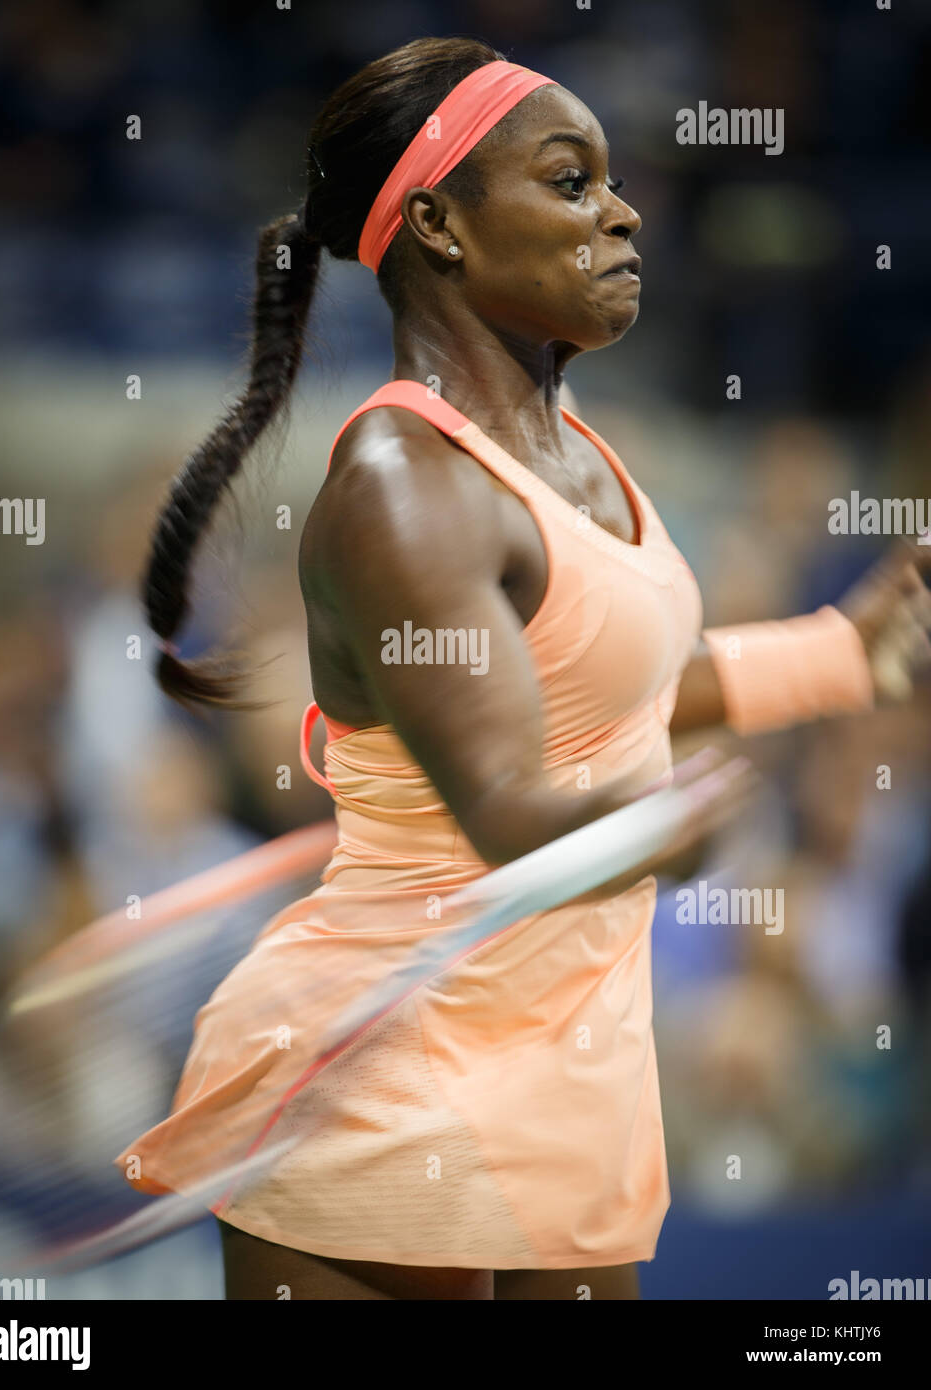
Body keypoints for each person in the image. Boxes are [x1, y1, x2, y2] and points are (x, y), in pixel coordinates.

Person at [115, 38, 931, 1300]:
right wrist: (663, 821)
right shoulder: (402, 490)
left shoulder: (578, 454)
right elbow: (510, 809)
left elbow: (605, 685)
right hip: (380, 1064)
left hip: (570, 1065)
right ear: (439, 226)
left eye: (608, 181)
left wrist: (836, 655)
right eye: (568, 180)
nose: (622, 209)